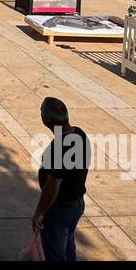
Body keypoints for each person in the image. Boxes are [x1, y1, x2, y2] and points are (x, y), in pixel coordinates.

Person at [32, 97, 89, 261]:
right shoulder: (79, 134)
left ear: (47, 119)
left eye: (41, 111)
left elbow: (52, 187)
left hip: (60, 209)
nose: (40, 113)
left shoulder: (60, 148)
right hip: (76, 205)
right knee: (68, 247)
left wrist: (39, 213)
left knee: (55, 254)